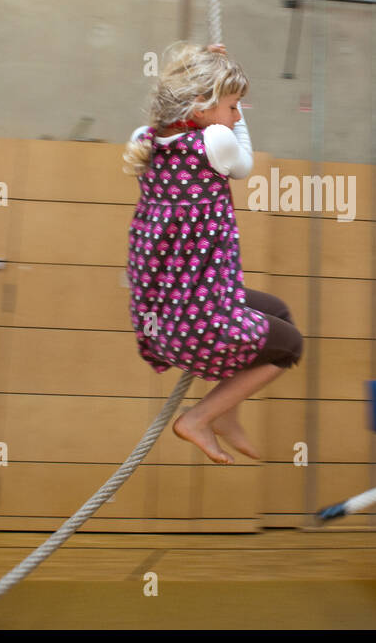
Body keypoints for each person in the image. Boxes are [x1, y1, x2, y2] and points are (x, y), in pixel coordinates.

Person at [122, 41, 303, 463]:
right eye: (235, 105)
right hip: (199, 325)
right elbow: (244, 164)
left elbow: (180, 112)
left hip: (166, 318)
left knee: (278, 312)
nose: (238, 115)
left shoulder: (144, 140)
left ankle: (226, 413)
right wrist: (232, 123)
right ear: (201, 109)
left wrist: (198, 63)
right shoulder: (216, 138)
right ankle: (199, 417)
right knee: (291, 345)